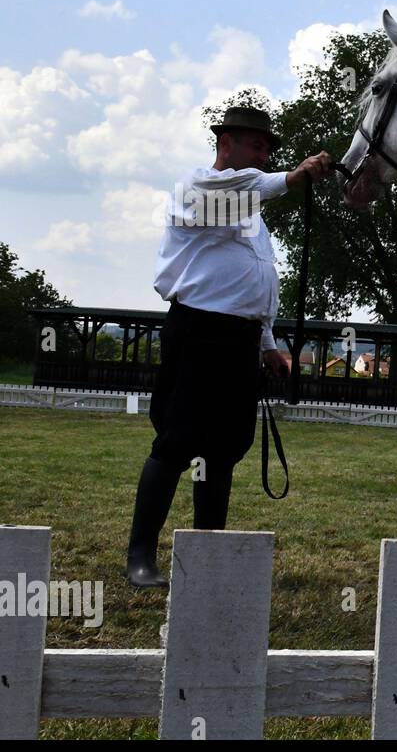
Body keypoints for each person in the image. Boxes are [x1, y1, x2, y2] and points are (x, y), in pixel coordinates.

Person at [125, 106, 331, 588]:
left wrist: (268, 344)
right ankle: (140, 555)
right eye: (256, 145)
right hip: (198, 332)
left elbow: (256, 288)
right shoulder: (195, 191)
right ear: (226, 145)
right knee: (176, 443)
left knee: (222, 451)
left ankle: (207, 554)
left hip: (240, 340)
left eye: (267, 149)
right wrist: (292, 176)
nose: (263, 155)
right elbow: (239, 192)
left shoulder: (254, 219)